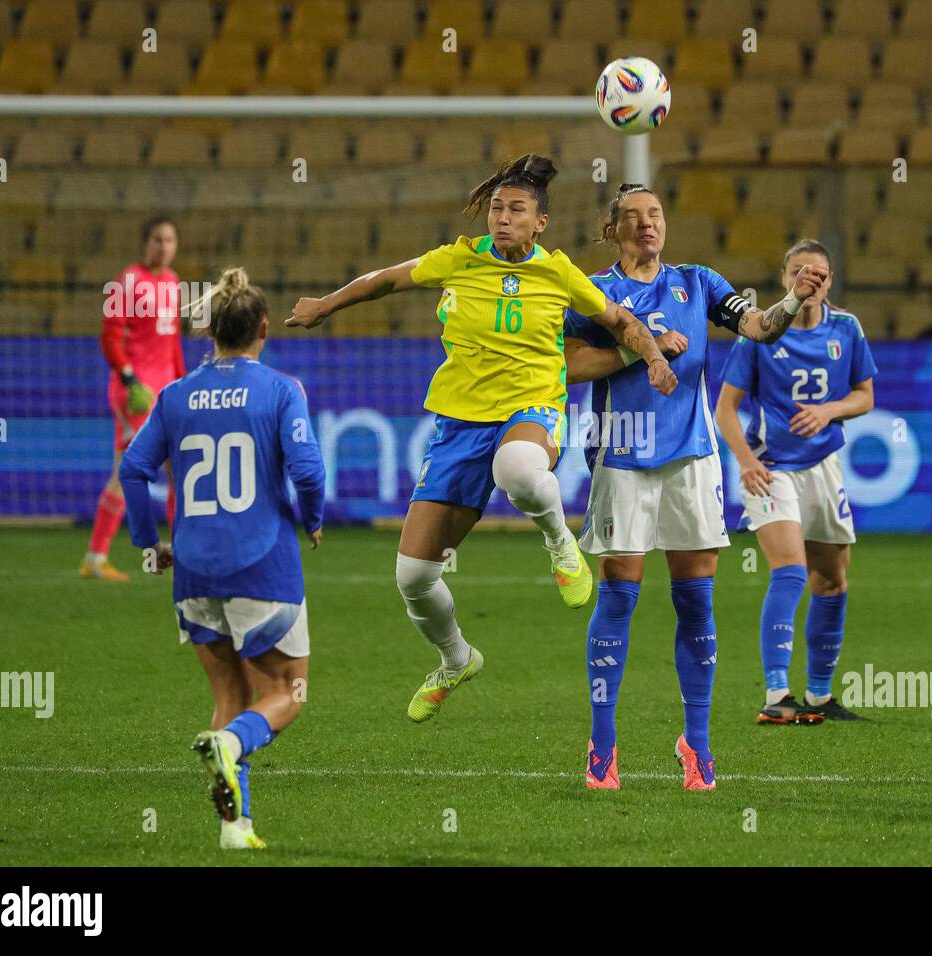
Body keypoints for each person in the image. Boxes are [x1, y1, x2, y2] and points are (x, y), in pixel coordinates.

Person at [284, 154, 674, 724]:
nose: (502, 217)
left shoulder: (559, 272)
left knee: (518, 470)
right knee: (414, 578)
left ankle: (558, 543)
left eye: (517, 209)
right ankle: (455, 658)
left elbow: (618, 320)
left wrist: (655, 355)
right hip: (459, 425)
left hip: (531, 408)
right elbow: (385, 279)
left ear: (540, 222)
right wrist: (325, 305)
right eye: (497, 208)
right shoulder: (459, 259)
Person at [563, 184, 824, 790]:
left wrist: (790, 300)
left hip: (691, 458)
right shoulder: (596, 291)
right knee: (619, 597)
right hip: (621, 455)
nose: (646, 225)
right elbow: (570, 364)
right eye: (632, 217)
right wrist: (640, 354)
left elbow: (758, 328)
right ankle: (603, 746)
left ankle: (697, 743)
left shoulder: (698, 282)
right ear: (613, 231)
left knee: (695, 601)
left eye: (654, 215)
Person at [120, 267, 325, 850]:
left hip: (192, 569)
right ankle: (232, 747)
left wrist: (148, 543)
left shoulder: (174, 395)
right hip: (262, 563)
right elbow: (308, 471)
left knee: (230, 700)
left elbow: (134, 469)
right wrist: (311, 518)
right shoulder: (281, 389)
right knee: (290, 692)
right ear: (264, 327)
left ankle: (236, 828)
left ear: (209, 330)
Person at [714, 240, 877, 725]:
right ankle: (776, 692)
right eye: (801, 272)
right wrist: (744, 461)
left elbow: (865, 397)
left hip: (824, 467)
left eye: (821, 274)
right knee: (789, 571)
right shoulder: (760, 334)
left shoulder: (847, 328)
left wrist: (830, 409)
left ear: (830, 281)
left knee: (831, 579)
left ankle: (821, 695)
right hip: (772, 467)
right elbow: (725, 407)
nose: (812, 280)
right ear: (785, 278)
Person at [80, 216, 185, 581]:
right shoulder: (128, 281)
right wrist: (129, 379)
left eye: (170, 240)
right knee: (128, 473)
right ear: (145, 242)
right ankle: (95, 556)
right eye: (158, 239)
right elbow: (110, 339)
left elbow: (172, 345)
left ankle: (183, 551)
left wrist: (182, 384)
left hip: (166, 393)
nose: (164, 246)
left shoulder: (173, 283)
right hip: (135, 393)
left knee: (178, 471)